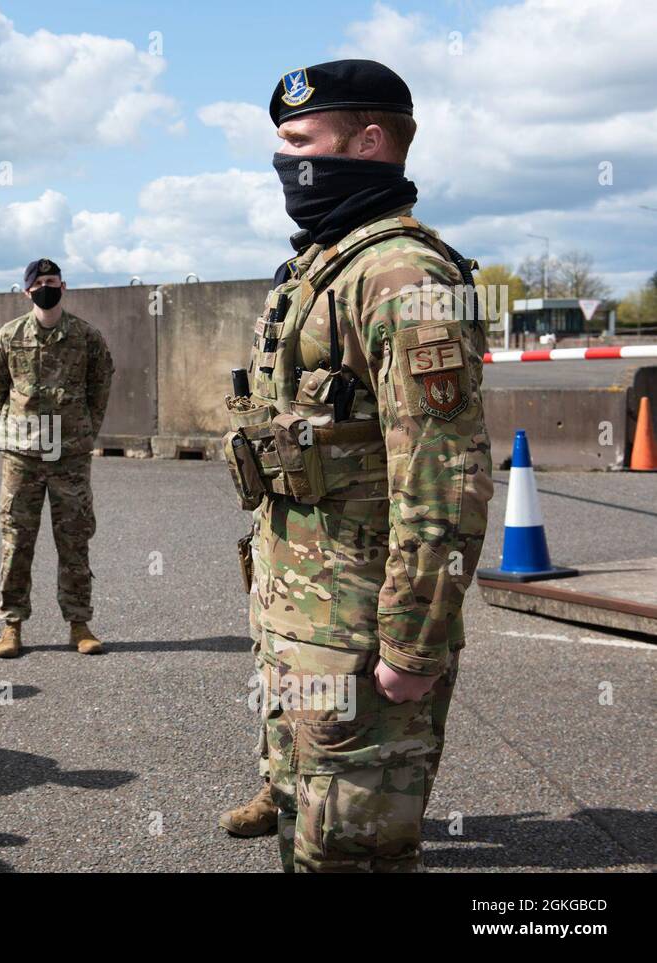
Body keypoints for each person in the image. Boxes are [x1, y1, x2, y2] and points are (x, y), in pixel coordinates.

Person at [218, 60, 493, 871]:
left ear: (369, 142)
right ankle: (286, 788)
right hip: (303, 603)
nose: (285, 164)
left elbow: (444, 479)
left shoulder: (404, 278)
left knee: (350, 848)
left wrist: (412, 644)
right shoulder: (324, 262)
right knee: (307, 797)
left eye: (300, 143)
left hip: (359, 619)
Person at [0, 257, 114, 659]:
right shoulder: (9, 336)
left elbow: (101, 384)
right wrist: (14, 424)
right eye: (38, 282)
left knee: (74, 540)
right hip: (21, 455)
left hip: (70, 457)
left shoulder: (86, 337)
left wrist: (84, 431)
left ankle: (79, 624)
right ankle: (11, 626)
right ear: (26, 291)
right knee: (17, 541)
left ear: (64, 285)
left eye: (52, 280)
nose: (46, 286)